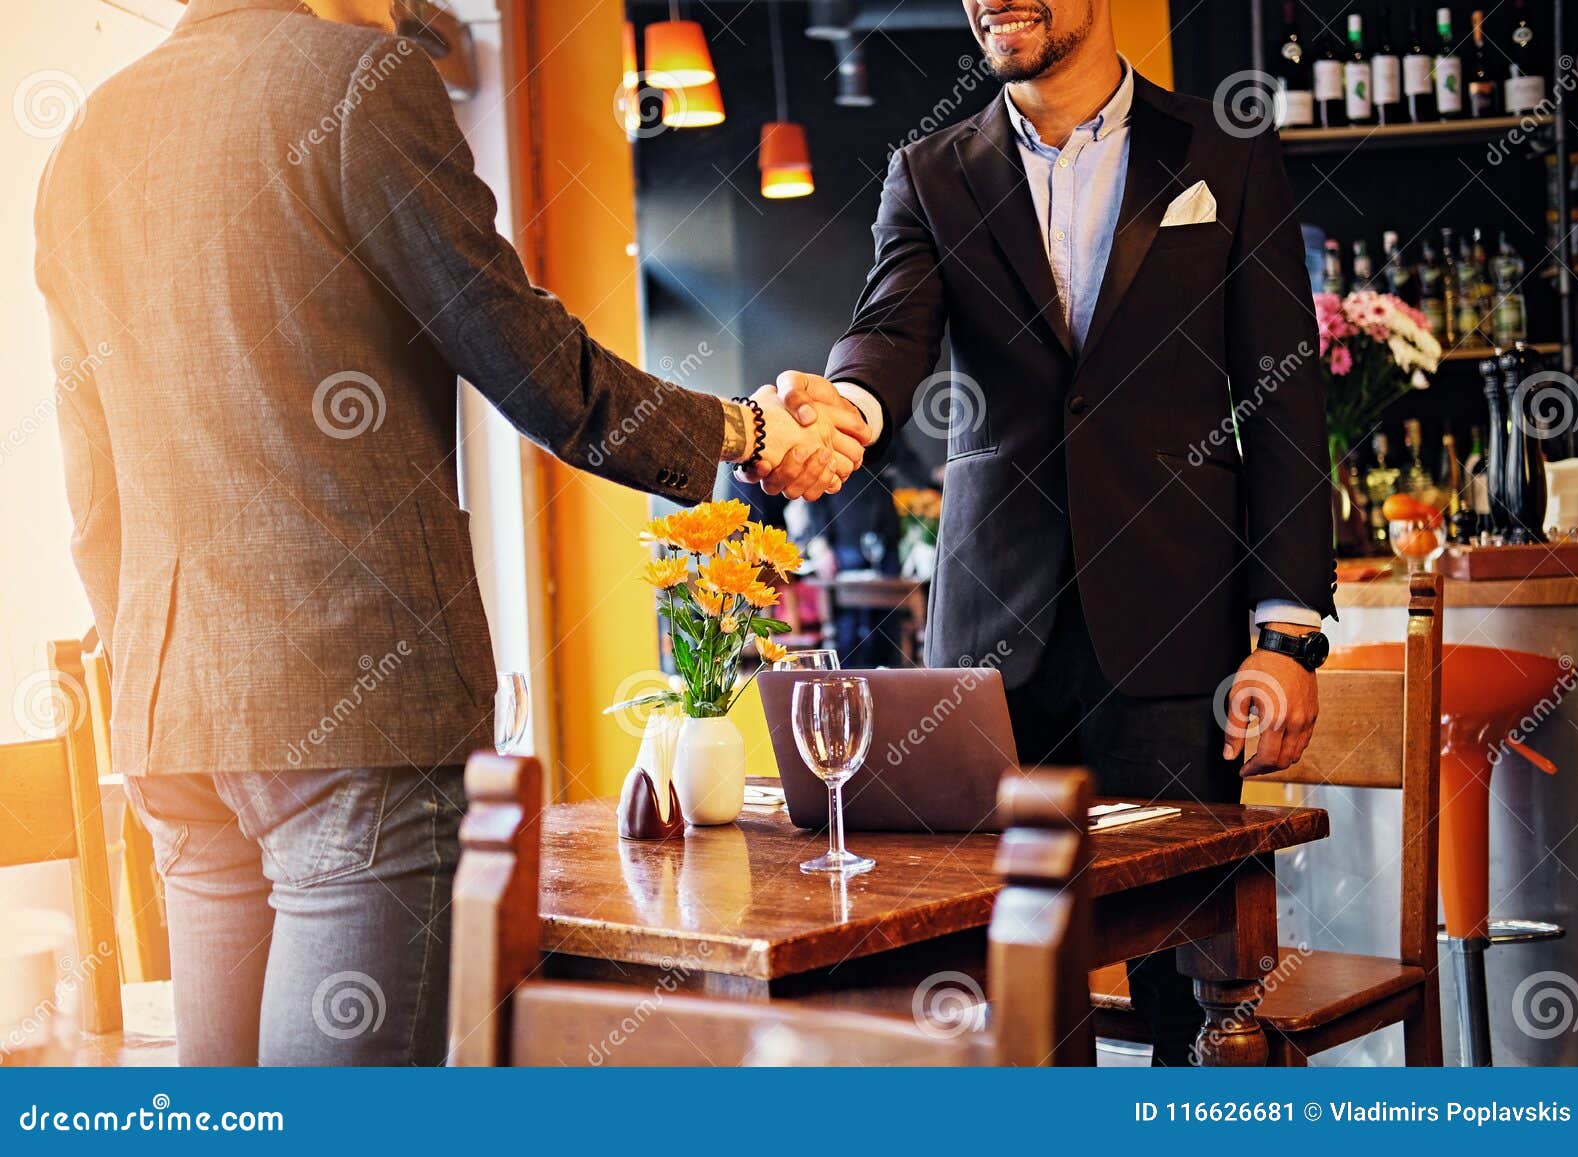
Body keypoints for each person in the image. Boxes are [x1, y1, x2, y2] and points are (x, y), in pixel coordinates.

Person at [32, 0, 867, 1065]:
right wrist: (745, 430)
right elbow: (535, 364)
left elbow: (89, 474)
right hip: (353, 715)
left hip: (172, 721)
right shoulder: (357, 83)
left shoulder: (89, 135)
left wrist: (149, 648)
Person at [773, 1, 1337, 1063]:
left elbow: (1283, 406)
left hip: (1178, 631)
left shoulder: (1223, 153)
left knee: (1191, 981)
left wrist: (1285, 632)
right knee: (1013, 983)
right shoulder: (931, 170)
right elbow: (890, 334)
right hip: (991, 641)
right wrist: (842, 408)